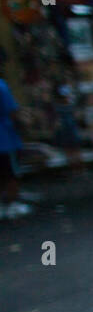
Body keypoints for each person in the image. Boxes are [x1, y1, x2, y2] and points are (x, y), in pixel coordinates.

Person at [0, 69, 31, 218]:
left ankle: (3, 204)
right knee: (11, 173)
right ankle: (13, 204)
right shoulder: (1, 86)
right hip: (5, 139)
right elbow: (12, 111)